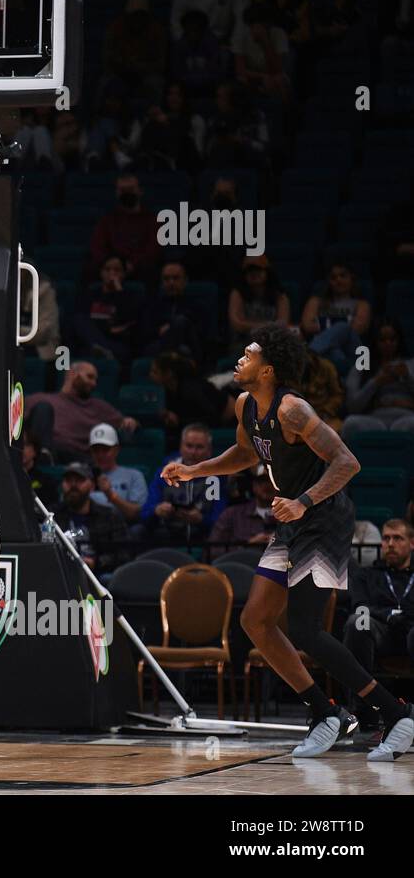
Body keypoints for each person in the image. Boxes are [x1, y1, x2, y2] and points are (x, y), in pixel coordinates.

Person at [161, 324, 413, 760]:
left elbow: (347, 462)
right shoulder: (245, 405)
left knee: (306, 629)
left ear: (269, 370)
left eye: (250, 353)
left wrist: (302, 501)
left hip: (324, 518)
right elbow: (245, 454)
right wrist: (193, 470)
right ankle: (326, 713)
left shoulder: (293, 410)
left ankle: (398, 713)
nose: (241, 357)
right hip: (293, 519)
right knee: (256, 620)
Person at [343, 520, 414, 727]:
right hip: (382, 632)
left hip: (411, 631)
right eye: (386, 538)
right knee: (358, 622)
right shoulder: (367, 574)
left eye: (397, 538)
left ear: (411, 543)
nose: (390, 544)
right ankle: (363, 709)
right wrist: (389, 614)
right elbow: (361, 607)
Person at [25, 362, 140, 462]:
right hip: (45, 453)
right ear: (72, 374)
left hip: (78, 458)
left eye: (96, 380)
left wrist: (130, 421)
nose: (94, 383)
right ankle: (44, 456)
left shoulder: (98, 406)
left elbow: (126, 423)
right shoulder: (39, 399)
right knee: (43, 408)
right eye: (90, 377)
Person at [140, 423, 226, 546]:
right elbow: (145, 514)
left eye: (199, 447)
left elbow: (221, 520)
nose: (193, 452)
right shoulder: (164, 472)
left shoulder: (218, 476)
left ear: (209, 450)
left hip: (204, 540)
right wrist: (157, 510)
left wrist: (202, 520)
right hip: (167, 538)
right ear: (180, 447)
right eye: (189, 446)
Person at [53, 463, 130, 576]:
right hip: (60, 573)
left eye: (80, 480)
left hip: (98, 576)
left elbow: (124, 554)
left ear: (92, 486)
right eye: (68, 480)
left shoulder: (109, 516)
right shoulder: (52, 515)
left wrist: (96, 562)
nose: (73, 485)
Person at [342, 318, 414, 437]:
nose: (388, 344)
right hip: (374, 420)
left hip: (407, 417)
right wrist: (376, 382)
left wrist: (408, 377)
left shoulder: (411, 364)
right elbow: (352, 406)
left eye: (392, 339)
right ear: (374, 341)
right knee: (350, 423)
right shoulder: (362, 366)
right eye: (382, 340)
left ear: (399, 340)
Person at [300, 262, 370, 376]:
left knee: (343, 327)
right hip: (327, 354)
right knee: (335, 351)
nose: (338, 280)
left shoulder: (361, 304)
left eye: (343, 276)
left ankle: (311, 354)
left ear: (351, 278)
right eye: (333, 277)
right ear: (328, 282)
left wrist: (323, 324)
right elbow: (307, 326)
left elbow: (356, 329)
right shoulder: (316, 301)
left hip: (352, 351)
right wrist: (345, 321)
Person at [208, 464, 279, 554]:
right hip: (240, 565)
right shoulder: (232, 514)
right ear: (253, 485)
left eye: (272, 482)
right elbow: (211, 551)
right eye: (262, 481)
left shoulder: (290, 515)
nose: (267, 486)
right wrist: (246, 547)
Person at [87, 423, 147, 525]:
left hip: (123, 533)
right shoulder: (82, 477)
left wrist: (110, 494)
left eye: (105, 450)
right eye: (96, 450)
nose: (100, 455)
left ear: (116, 450)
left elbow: (135, 514)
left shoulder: (134, 476)